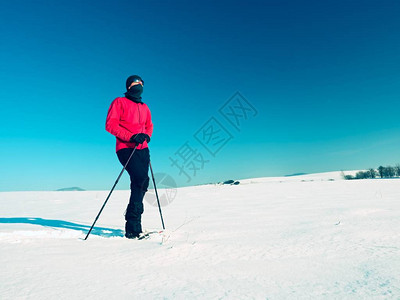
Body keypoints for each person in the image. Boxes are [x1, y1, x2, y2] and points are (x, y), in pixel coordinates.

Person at [105, 75, 153, 239]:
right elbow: (110, 125)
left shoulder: (145, 107)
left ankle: (135, 223)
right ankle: (132, 227)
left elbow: (149, 126)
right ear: (128, 86)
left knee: (143, 182)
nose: (138, 85)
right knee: (139, 178)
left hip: (142, 149)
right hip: (126, 148)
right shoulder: (119, 102)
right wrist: (131, 136)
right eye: (135, 83)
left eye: (141, 83)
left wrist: (147, 136)